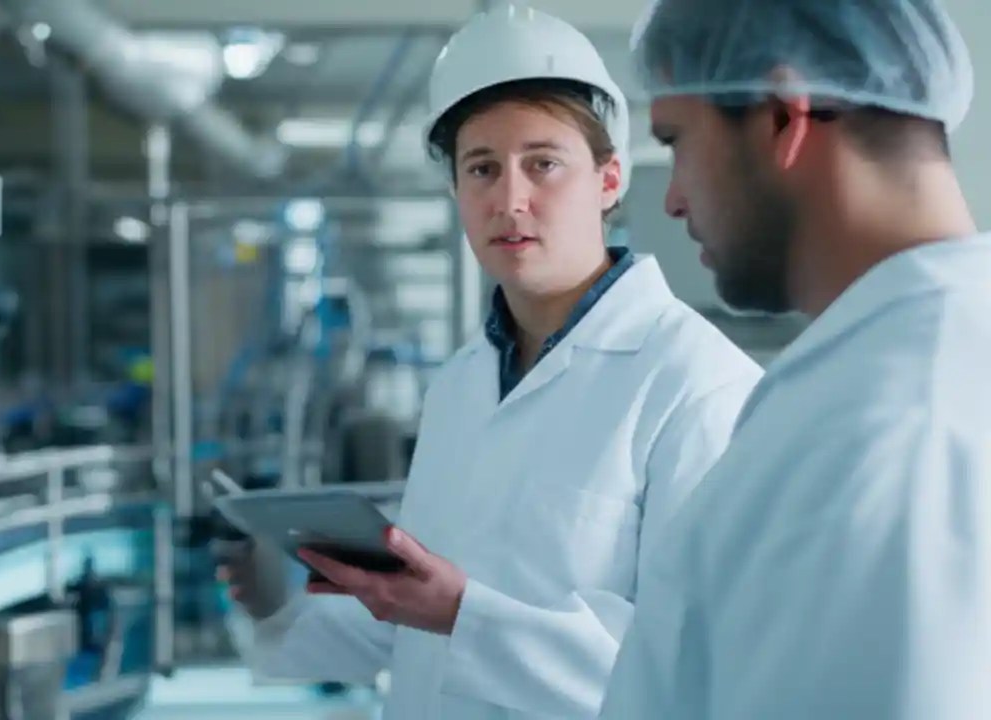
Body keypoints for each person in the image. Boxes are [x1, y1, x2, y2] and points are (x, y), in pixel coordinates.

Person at [218, 3, 761, 718]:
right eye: (482, 168)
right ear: (456, 190)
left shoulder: (699, 385)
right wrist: (277, 606)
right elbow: (410, 630)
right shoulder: (462, 383)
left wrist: (463, 616)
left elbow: (695, 669)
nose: (510, 199)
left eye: (544, 164)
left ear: (608, 180)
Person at [598, 1, 991, 718]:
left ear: (783, 117)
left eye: (676, 140)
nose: (674, 198)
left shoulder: (889, 424)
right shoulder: (914, 366)